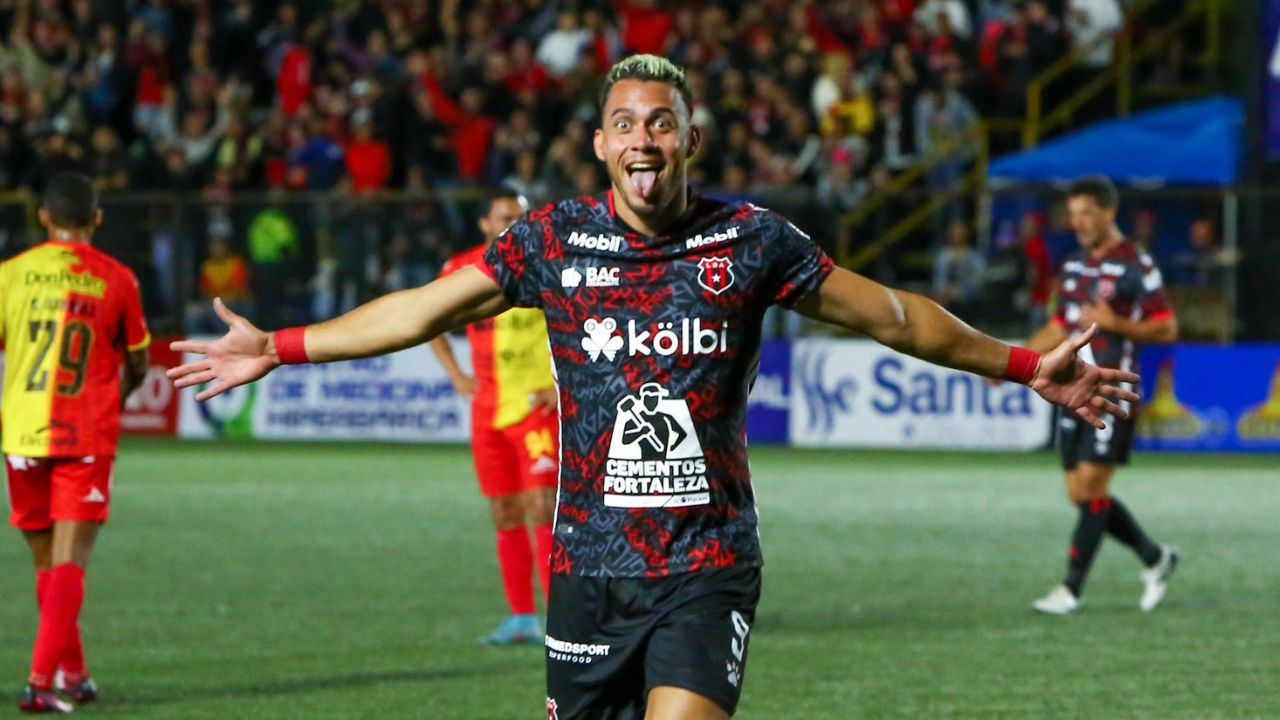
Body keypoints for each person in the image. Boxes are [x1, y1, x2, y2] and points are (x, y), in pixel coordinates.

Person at [170, 56, 1138, 720]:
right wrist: (280, 346)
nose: (643, 140)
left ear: (690, 142)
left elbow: (893, 316)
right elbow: (420, 311)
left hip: (704, 565)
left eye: (660, 125)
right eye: (624, 124)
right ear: (599, 144)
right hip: (587, 572)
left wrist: (1020, 364)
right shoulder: (548, 241)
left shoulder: (752, 242)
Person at [1, 172, 150, 713]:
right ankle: (41, 683)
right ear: (98, 218)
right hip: (85, 431)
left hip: (20, 435)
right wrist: (119, 394)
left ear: (43, 216)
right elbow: (139, 360)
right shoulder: (117, 279)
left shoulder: (10, 276)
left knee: (46, 563)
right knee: (69, 563)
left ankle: (77, 675)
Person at [1024, 176, 1180, 616]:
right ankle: (1155, 558)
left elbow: (1167, 326)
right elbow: (1059, 327)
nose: (1078, 223)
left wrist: (1117, 324)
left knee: (1092, 488)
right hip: (1072, 391)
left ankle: (1071, 589)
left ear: (1110, 213)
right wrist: (1009, 359)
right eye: (1073, 215)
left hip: (1113, 390)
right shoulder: (1072, 266)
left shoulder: (1138, 264)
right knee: (1081, 495)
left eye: (1086, 213)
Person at [429, 190, 559, 646]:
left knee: (542, 508)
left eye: (520, 217)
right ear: (485, 223)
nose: (513, 224)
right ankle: (522, 618)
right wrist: (457, 375)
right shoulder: (459, 269)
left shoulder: (547, 265)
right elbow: (430, 320)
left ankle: (561, 619)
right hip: (487, 410)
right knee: (504, 512)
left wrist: (560, 385)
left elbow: (585, 326)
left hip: (535, 408)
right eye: (505, 217)